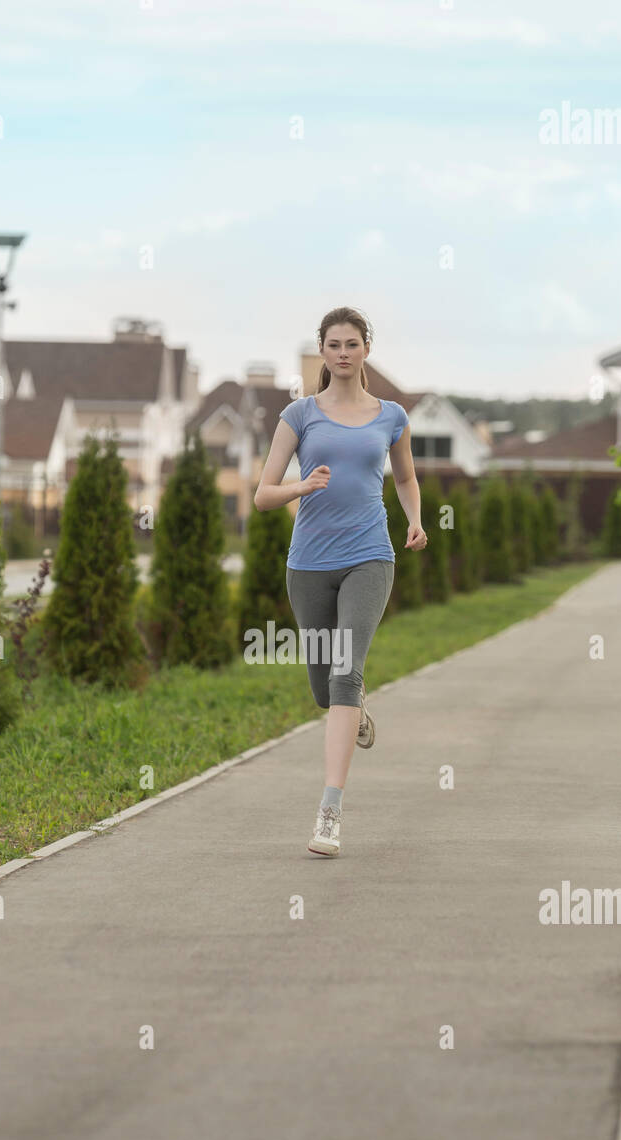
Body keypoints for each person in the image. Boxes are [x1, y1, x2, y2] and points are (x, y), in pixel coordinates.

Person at [253, 306, 427, 856]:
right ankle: (353, 706)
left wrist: (416, 519)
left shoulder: (391, 415)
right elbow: (263, 496)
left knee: (346, 672)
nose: (344, 352)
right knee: (323, 687)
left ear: (366, 350)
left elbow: (404, 475)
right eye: (334, 344)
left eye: (353, 343)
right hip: (308, 563)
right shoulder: (299, 415)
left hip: (369, 556)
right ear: (323, 352)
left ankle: (329, 813)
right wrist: (302, 487)